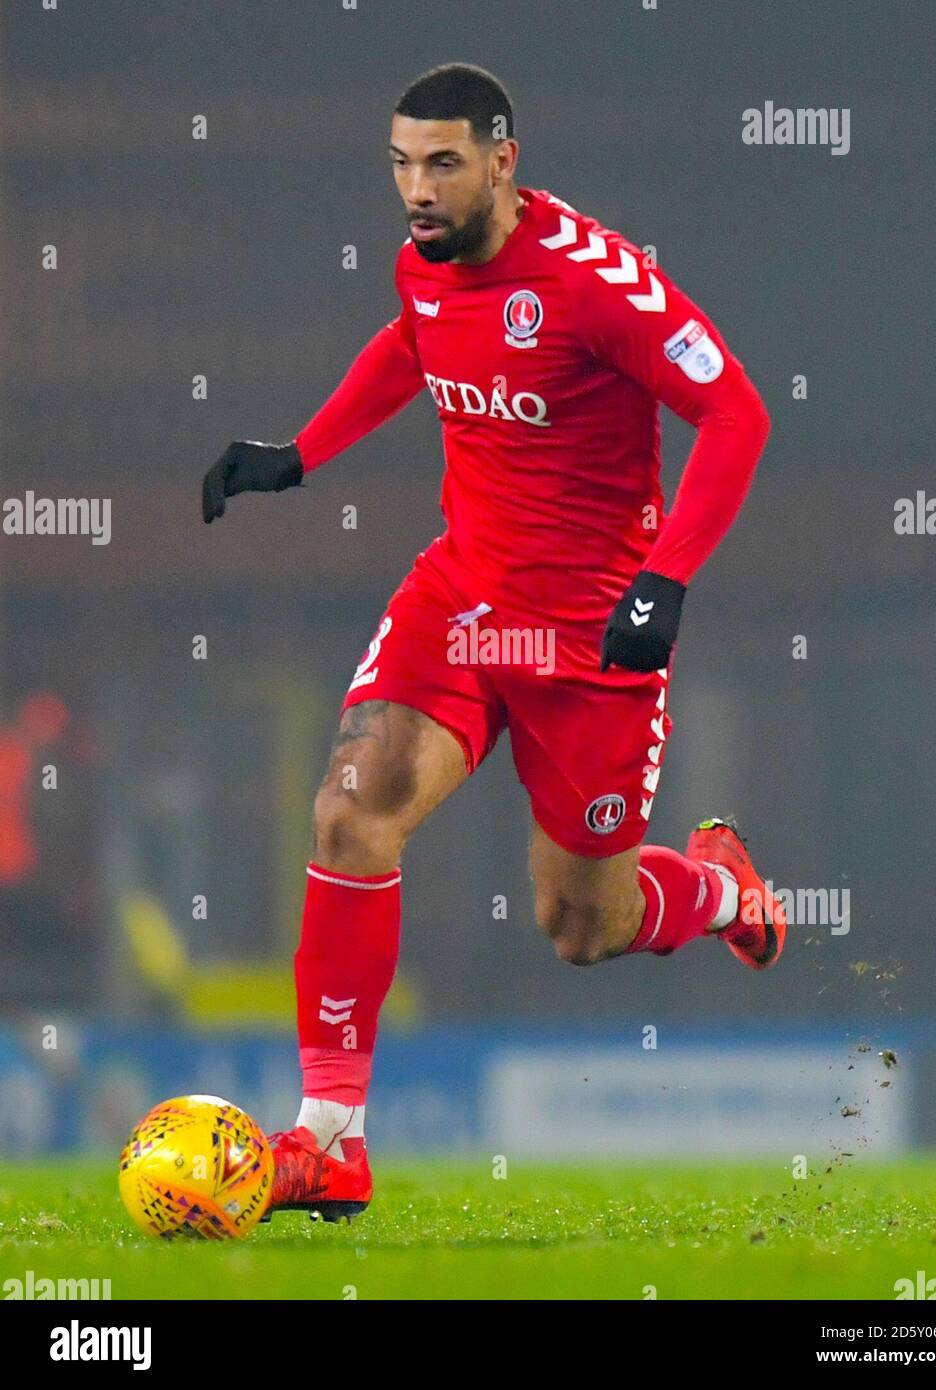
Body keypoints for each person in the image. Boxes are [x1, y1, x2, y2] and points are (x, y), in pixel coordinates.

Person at [202, 63, 786, 1222]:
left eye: (442, 164)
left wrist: (664, 579)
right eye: (401, 165)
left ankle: (717, 891)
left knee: (583, 926)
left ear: (503, 161)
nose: (416, 190)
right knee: (348, 809)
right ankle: (331, 1138)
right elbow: (412, 345)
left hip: (592, 640)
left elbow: (737, 414)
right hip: (463, 600)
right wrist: (300, 452)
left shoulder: (597, 285)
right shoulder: (425, 260)